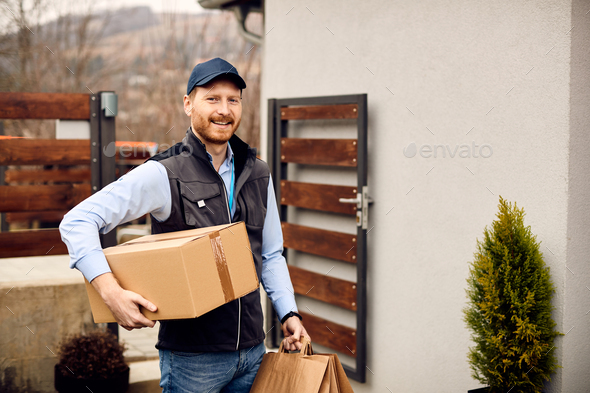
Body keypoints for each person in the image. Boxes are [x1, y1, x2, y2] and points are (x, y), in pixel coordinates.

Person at [59, 57, 309, 393]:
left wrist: (288, 314)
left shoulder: (258, 173)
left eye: (232, 100)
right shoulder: (165, 172)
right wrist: (110, 292)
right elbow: (77, 221)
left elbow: (271, 254)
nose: (224, 109)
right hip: (193, 361)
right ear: (188, 104)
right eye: (212, 98)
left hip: (253, 353)